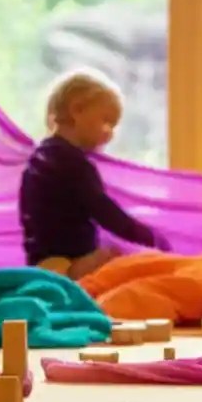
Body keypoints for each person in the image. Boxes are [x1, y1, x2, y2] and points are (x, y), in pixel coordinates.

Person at [20, 69, 171, 279]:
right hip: (67, 264)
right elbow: (105, 211)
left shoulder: (39, 158)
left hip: (39, 263)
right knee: (118, 259)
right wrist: (148, 237)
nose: (111, 133)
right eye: (106, 121)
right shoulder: (73, 163)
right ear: (77, 110)